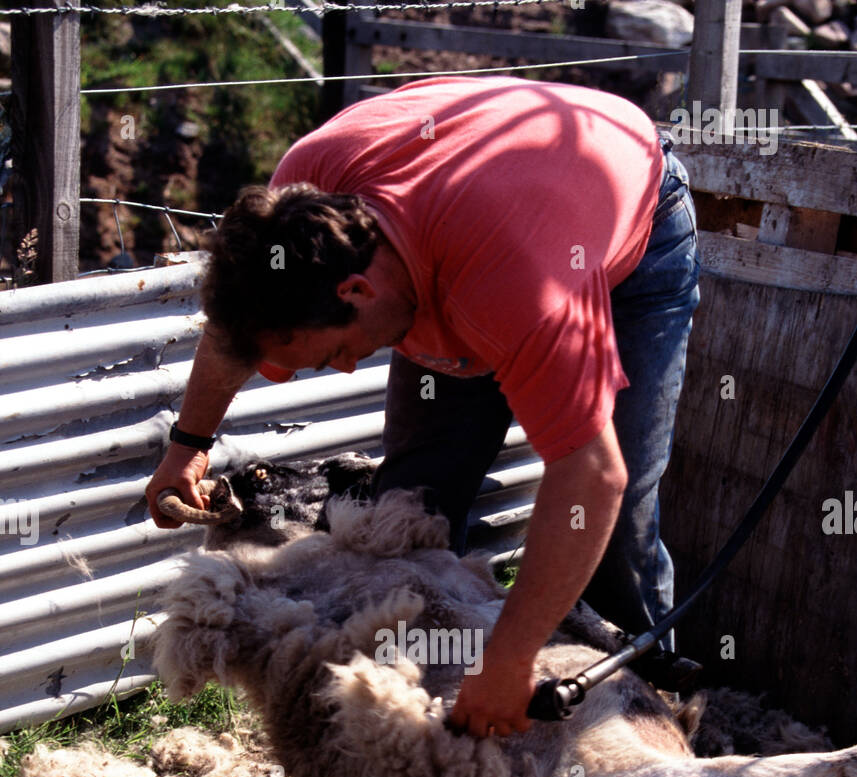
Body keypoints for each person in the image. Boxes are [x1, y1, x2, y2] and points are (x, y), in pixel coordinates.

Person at [146, 75, 701, 739]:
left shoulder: (521, 286)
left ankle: (644, 723)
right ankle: (425, 731)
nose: (348, 368)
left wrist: (510, 656)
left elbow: (592, 474)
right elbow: (238, 319)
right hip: (461, 222)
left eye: (336, 355)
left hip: (621, 214)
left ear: (354, 290)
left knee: (618, 510)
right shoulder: (303, 197)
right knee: (413, 506)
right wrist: (188, 444)